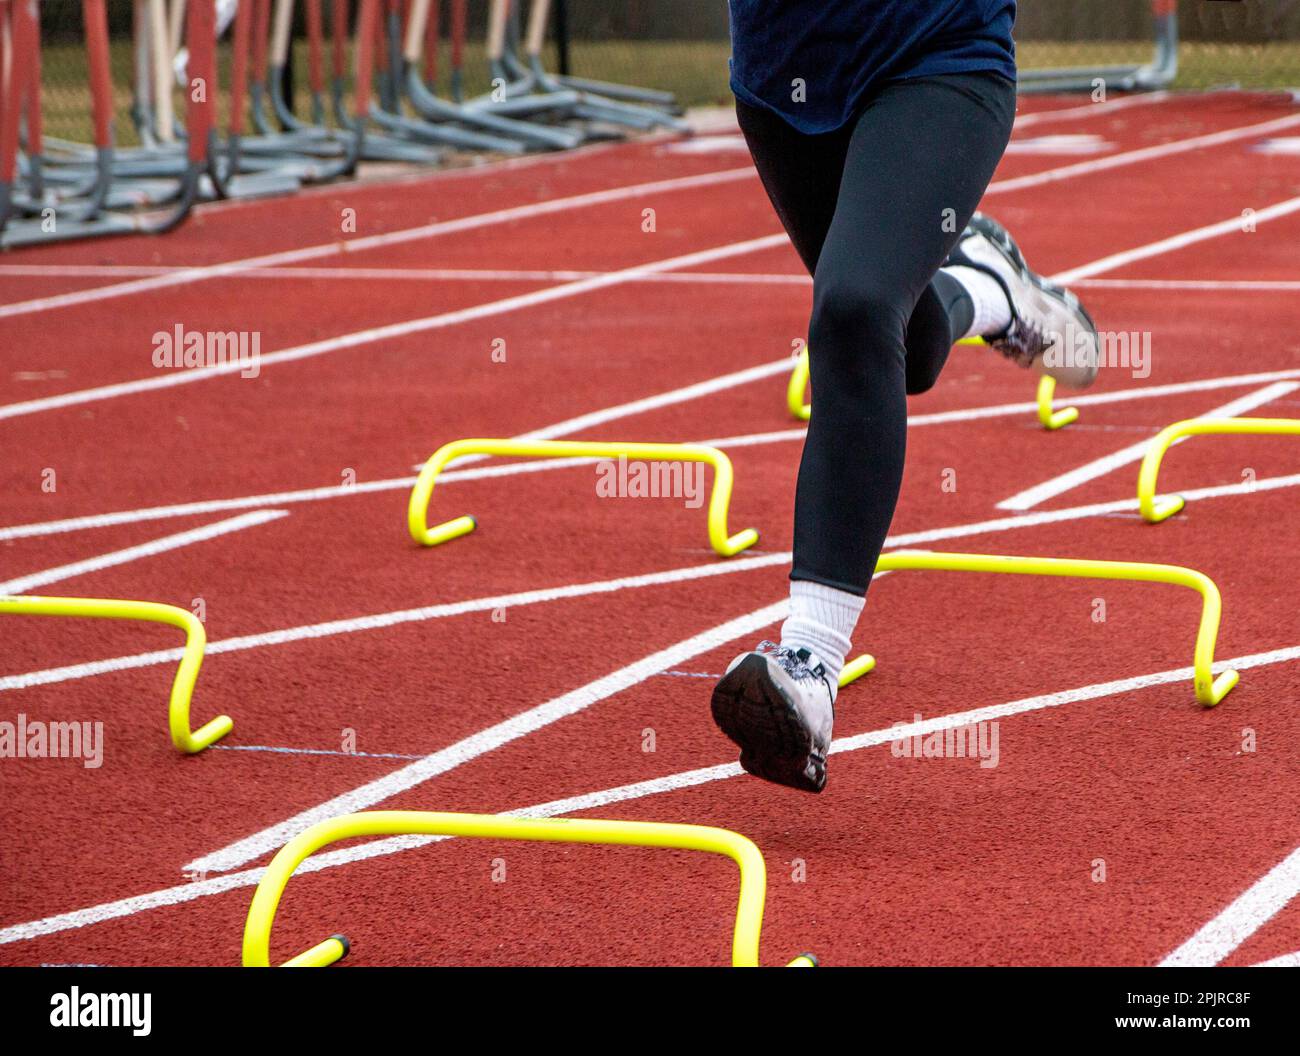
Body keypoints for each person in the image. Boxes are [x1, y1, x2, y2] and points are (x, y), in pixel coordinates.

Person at [710, 0, 1100, 792]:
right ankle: (989, 288)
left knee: (852, 308)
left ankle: (809, 664)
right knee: (905, 343)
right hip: (783, 76)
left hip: (937, 52)